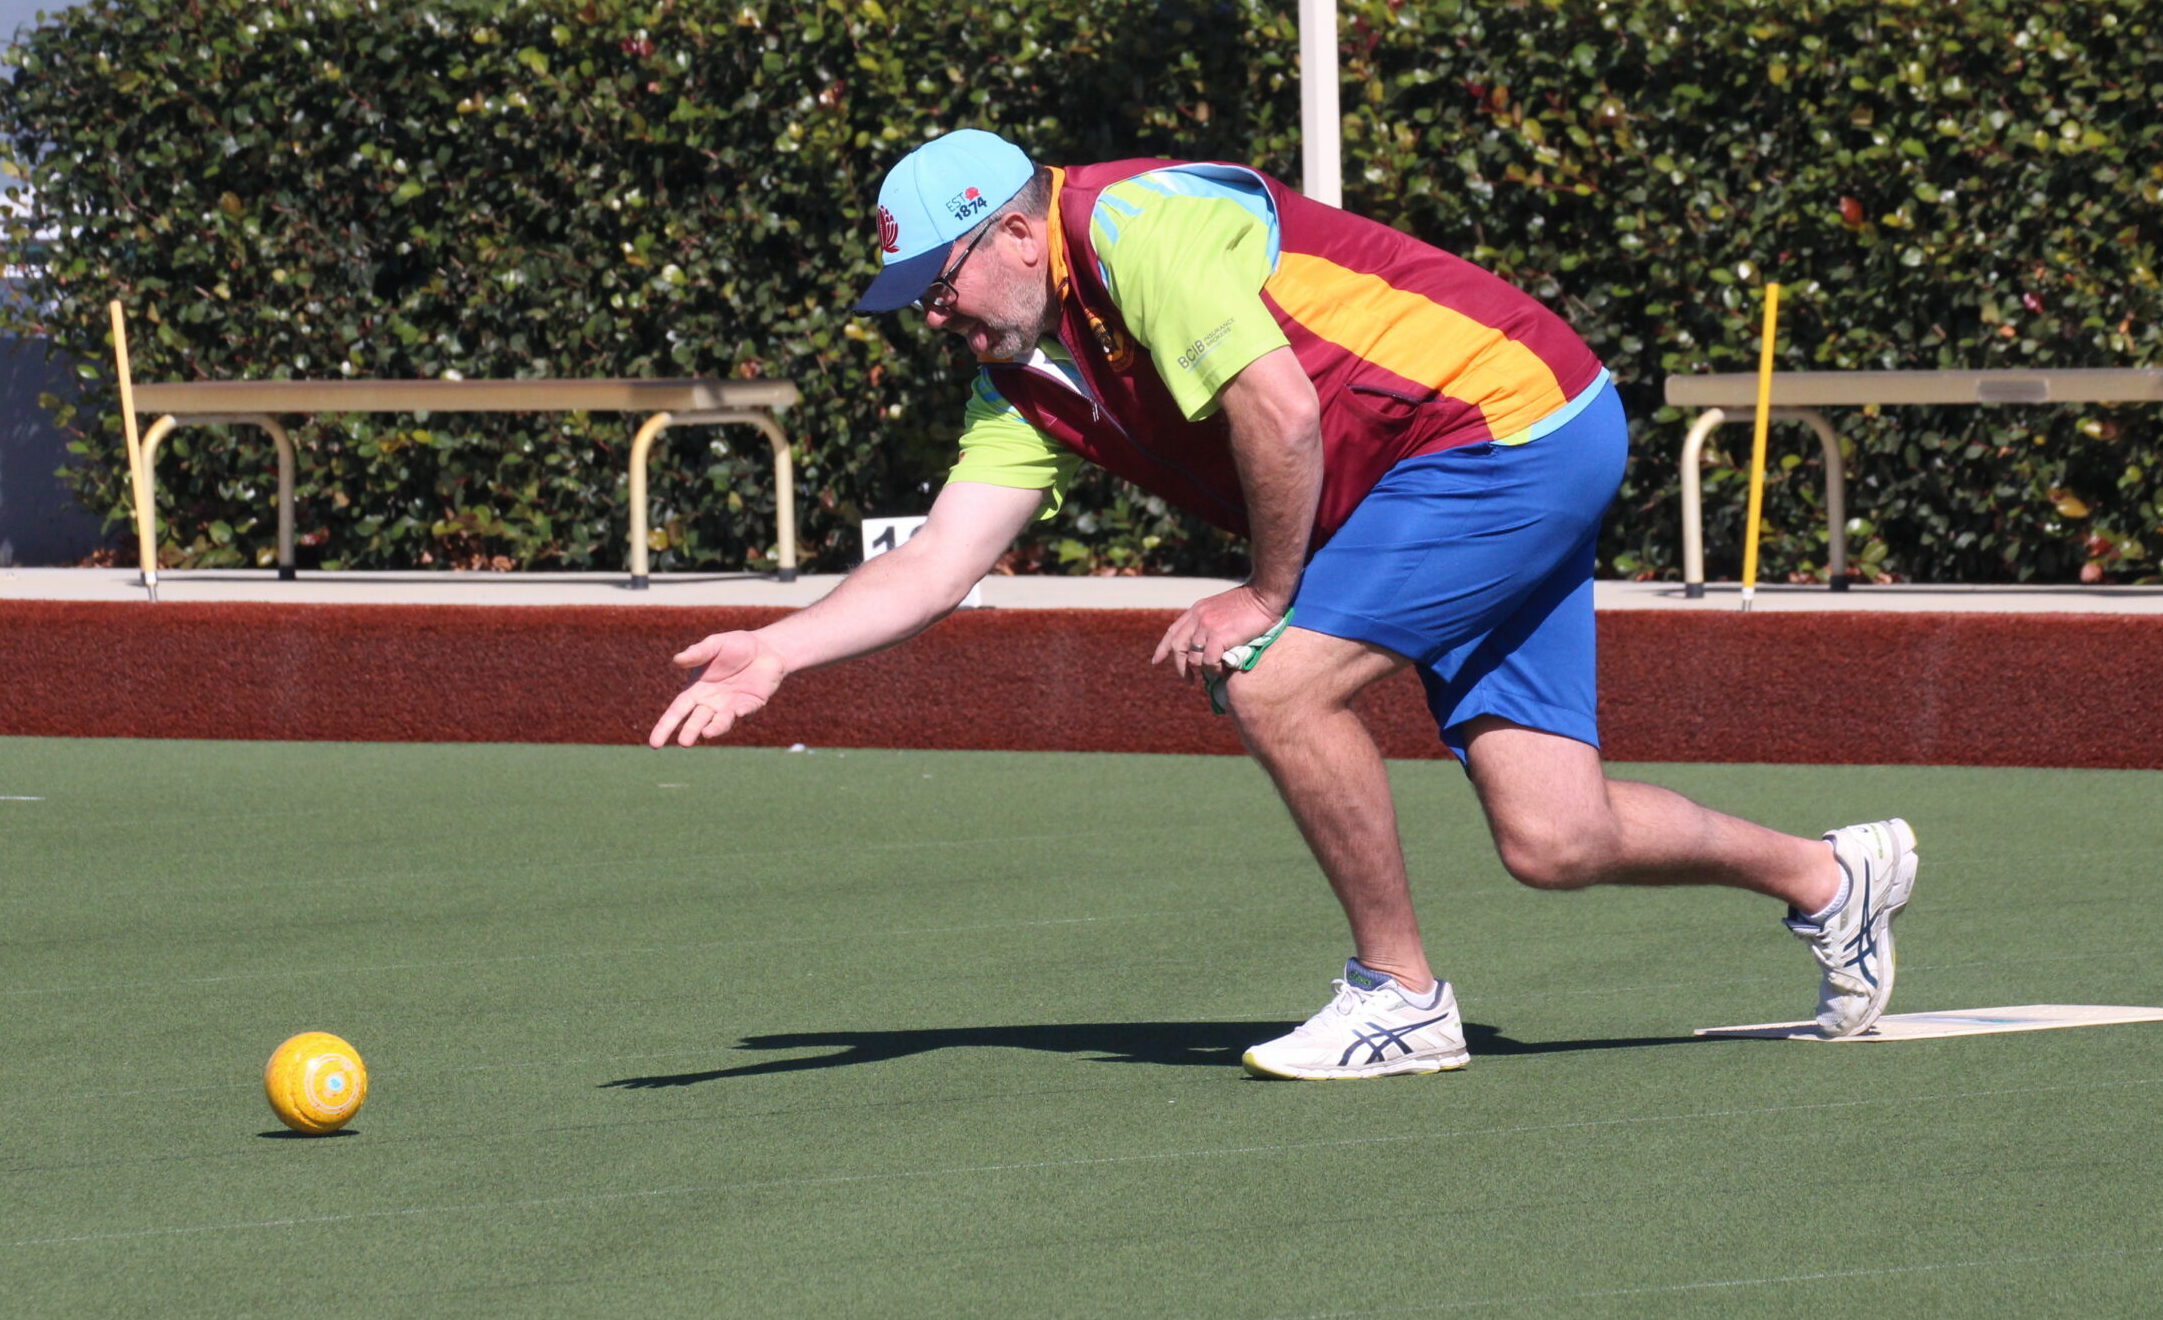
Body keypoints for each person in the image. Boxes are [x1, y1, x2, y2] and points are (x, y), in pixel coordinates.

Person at [648, 129, 1919, 1079]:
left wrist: (1266, 593)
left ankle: (1401, 997)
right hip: (1481, 452)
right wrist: (780, 648)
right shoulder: (1027, 378)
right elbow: (936, 559)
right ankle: (1828, 876)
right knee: (1555, 836)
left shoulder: (1136, 230)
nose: (931, 312)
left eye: (941, 280)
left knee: (1270, 670)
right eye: (915, 297)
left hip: (1502, 426)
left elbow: (1279, 406)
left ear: (1016, 234)